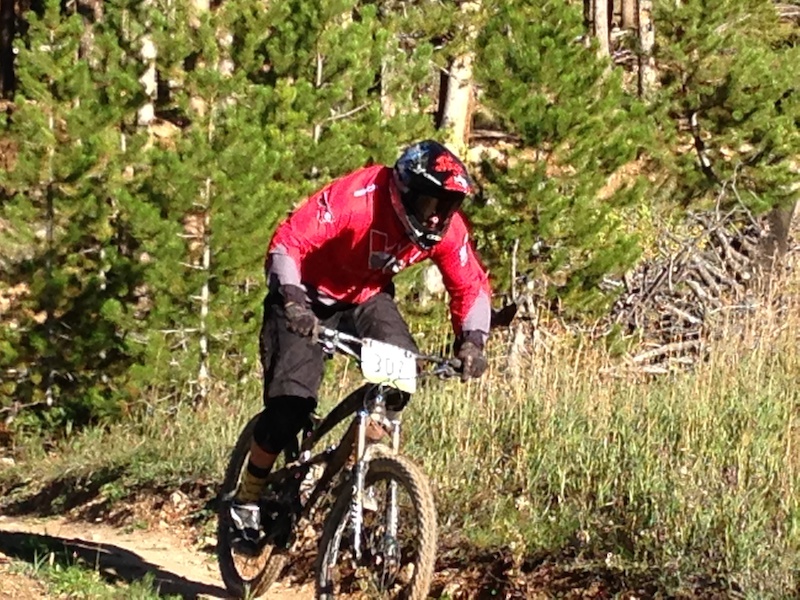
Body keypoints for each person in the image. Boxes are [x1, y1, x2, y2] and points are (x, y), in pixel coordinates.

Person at [230, 139, 493, 544]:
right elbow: (289, 241)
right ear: (404, 191)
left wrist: (472, 341)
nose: (437, 216)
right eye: (430, 204)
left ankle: (356, 468)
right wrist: (294, 302)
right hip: (304, 296)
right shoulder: (358, 199)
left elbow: (470, 285)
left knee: (399, 378)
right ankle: (247, 494)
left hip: (365, 298)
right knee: (290, 408)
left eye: (447, 207)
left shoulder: (445, 229)